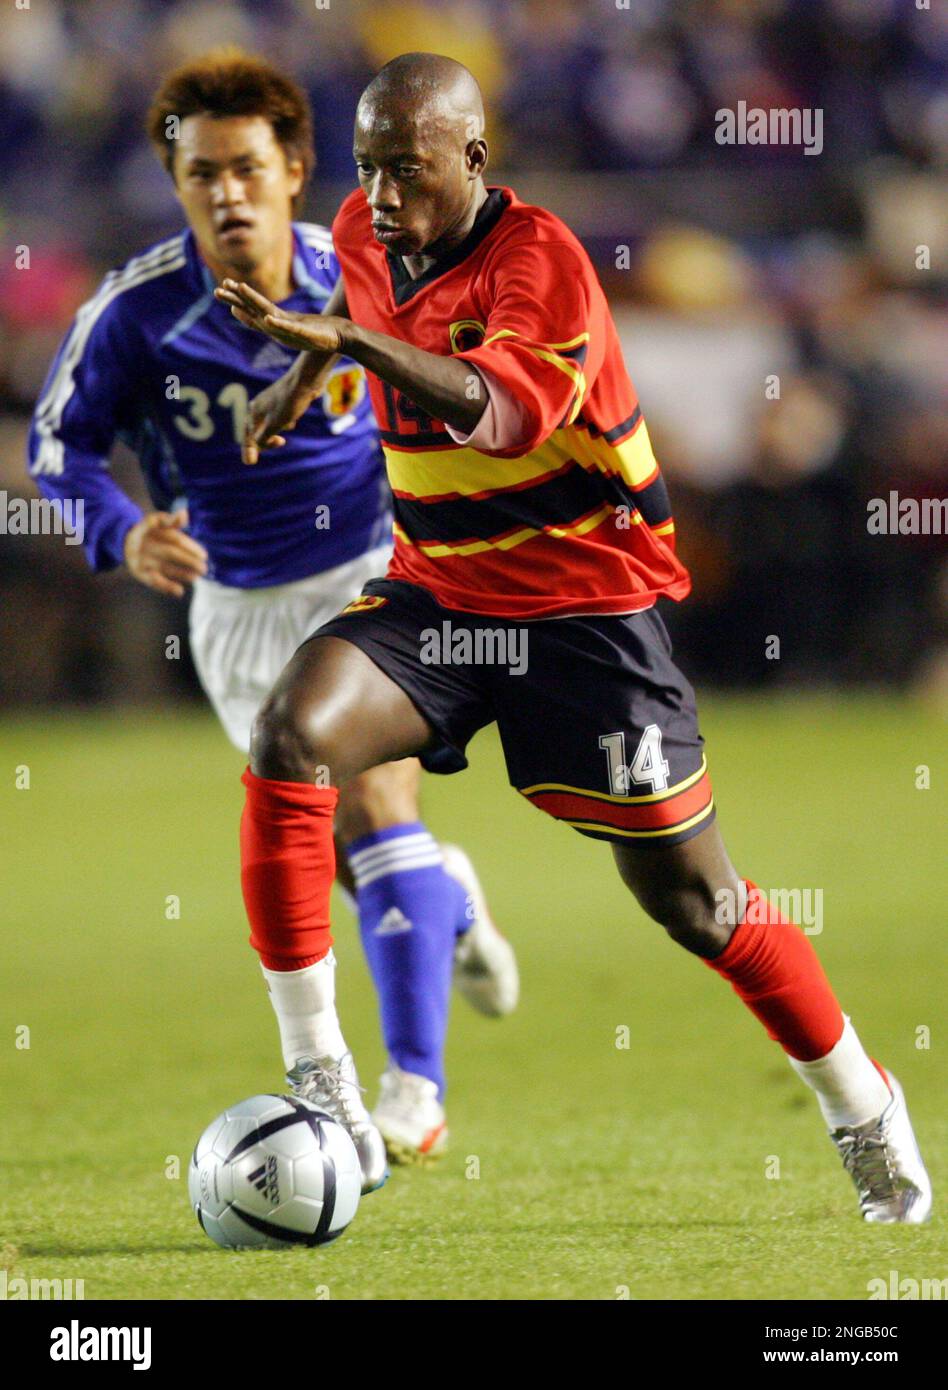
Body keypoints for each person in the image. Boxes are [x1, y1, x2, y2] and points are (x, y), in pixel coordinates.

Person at [218, 51, 930, 1224]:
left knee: (697, 905)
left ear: (474, 159)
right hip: (441, 596)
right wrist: (310, 370)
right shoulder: (359, 227)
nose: (383, 198)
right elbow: (356, 307)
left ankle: (861, 1100)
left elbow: (496, 414)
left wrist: (340, 347)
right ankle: (324, 1079)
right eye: (367, 170)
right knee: (291, 736)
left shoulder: (540, 261)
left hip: (589, 621)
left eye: (408, 171)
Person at [27, 48, 518, 1192]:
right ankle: (444, 899)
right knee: (349, 848)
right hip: (235, 608)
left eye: (248, 167)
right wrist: (120, 529)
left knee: (374, 797)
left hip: (371, 572)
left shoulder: (362, 268)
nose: (227, 192)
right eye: (201, 173)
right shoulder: (135, 312)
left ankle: (407, 1092)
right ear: (177, 180)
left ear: (298, 169)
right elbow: (60, 446)